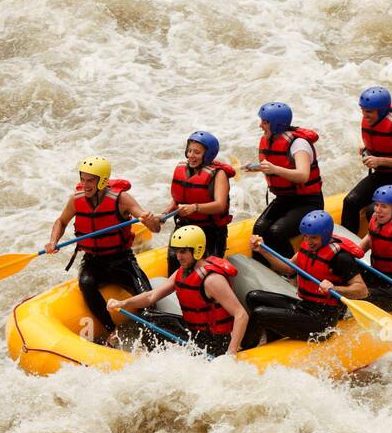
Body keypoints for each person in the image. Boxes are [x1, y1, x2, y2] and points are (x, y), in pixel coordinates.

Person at [46, 157, 162, 341]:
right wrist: (53, 241)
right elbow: (61, 221)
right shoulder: (75, 201)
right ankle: (111, 330)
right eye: (82, 179)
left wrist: (150, 220)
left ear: (102, 180)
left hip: (122, 259)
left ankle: (151, 334)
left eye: (90, 180)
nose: (85, 184)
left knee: (148, 298)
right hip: (93, 260)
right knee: (86, 283)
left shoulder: (121, 199)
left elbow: (155, 228)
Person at [108, 225, 249, 357]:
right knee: (148, 318)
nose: (178, 256)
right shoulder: (182, 272)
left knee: (153, 324)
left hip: (217, 341)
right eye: (176, 251)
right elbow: (151, 297)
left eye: (183, 251)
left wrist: (231, 353)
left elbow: (241, 315)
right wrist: (123, 303)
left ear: (197, 250)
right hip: (196, 332)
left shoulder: (212, 280)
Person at [245, 210, 367, 341]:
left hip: (322, 321)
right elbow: (288, 268)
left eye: (313, 237)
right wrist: (262, 250)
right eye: (306, 236)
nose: (308, 241)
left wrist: (335, 289)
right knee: (253, 297)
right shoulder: (308, 246)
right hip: (305, 306)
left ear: (325, 235)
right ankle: (273, 337)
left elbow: (362, 290)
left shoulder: (340, 258)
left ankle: (241, 352)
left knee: (259, 314)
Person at [340, 87, 392, 234]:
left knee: (373, 210)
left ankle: (380, 248)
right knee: (350, 202)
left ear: (382, 110)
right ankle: (347, 246)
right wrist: (366, 148)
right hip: (382, 176)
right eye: (363, 110)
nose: (365, 115)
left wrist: (379, 161)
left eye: (369, 111)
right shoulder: (371, 119)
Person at [250, 103, 324, 259]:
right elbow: (275, 165)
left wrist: (274, 169)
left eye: (264, 122)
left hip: (308, 202)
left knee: (276, 231)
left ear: (276, 124)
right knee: (259, 228)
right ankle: (263, 271)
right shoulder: (270, 139)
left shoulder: (299, 144)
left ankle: (290, 272)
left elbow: (303, 175)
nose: (260, 126)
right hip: (285, 199)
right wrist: (255, 167)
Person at [168, 130, 235, 272]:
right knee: (175, 262)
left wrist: (195, 207)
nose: (191, 155)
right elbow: (176, 201)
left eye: (197, 152)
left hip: (210, 231)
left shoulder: (219, 174)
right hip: (184, 227)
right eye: (190, 151)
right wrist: (163, 214)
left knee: (207, 270)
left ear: (208, 155)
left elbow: (220, 205)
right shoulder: (181, 168)